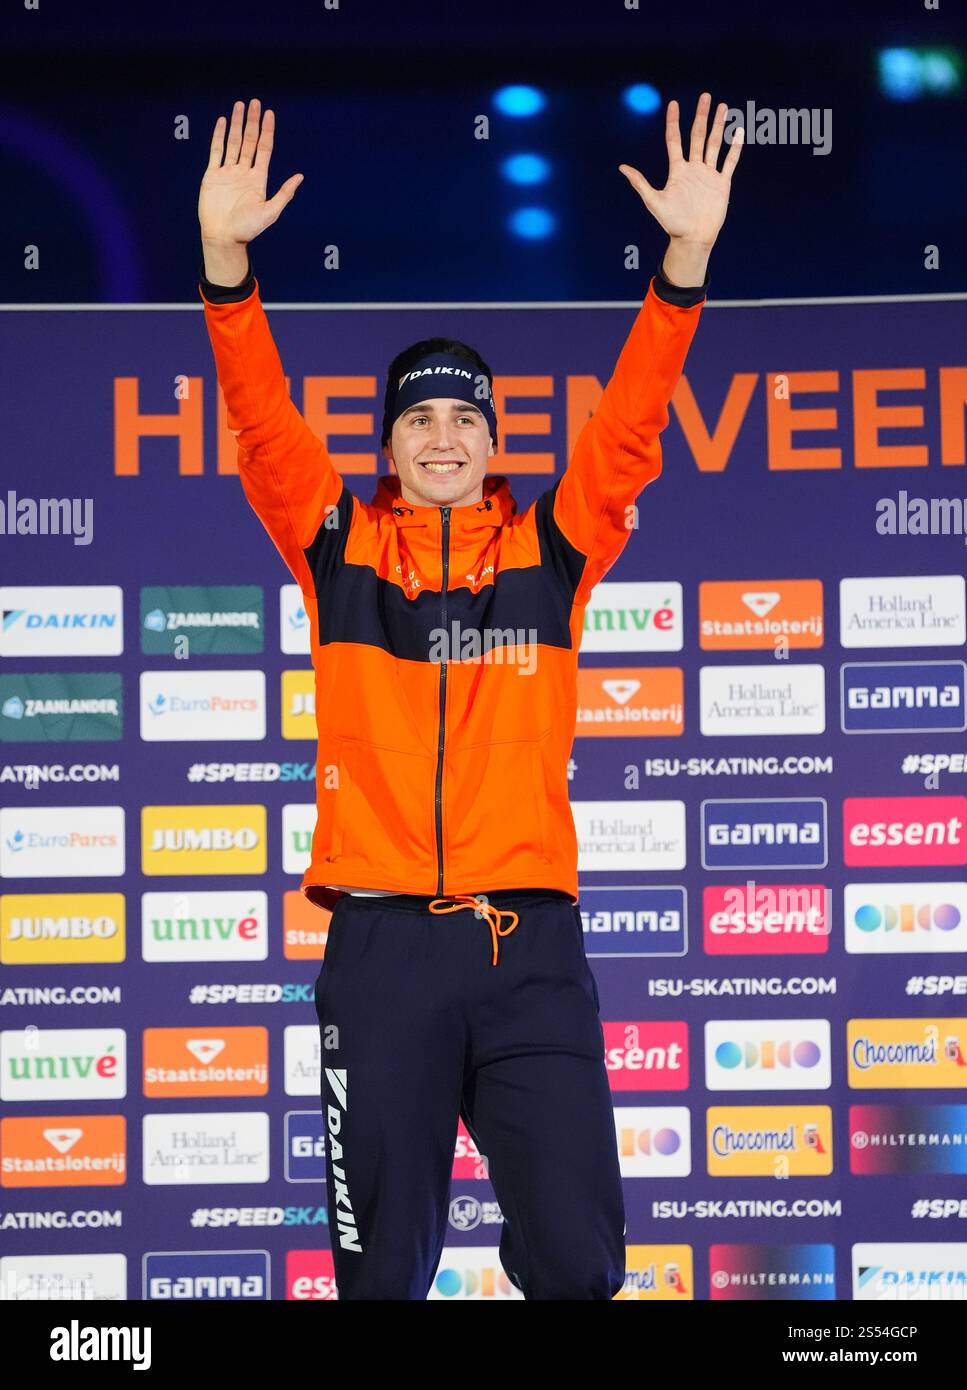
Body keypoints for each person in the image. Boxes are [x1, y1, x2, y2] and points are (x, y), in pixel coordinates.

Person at [197, 94, 741, 1300]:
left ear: (492, 442)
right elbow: (261, 423)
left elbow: (634, 426)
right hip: (381, 942)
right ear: (388, 445)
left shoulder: (554, 545)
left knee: (575, 1258)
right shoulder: (333, 544)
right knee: (378, 1272)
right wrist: (226, 271)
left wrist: (684, 266)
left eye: (464, 418)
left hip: (528, 946)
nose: (442, 438)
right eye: (418, 419)